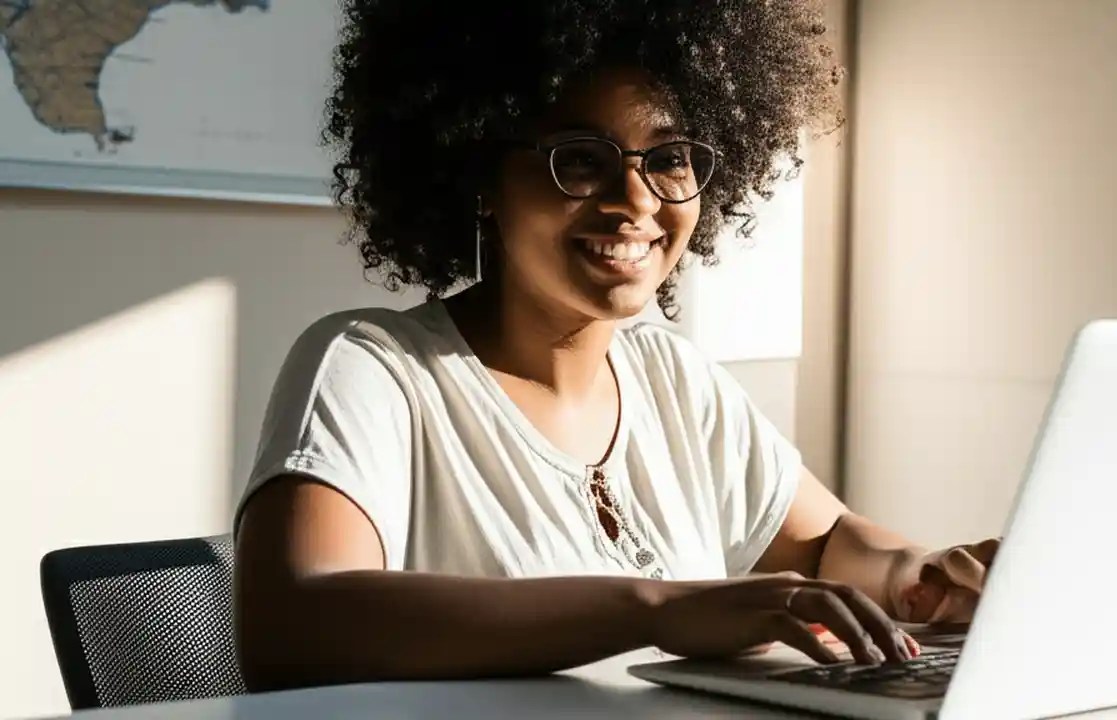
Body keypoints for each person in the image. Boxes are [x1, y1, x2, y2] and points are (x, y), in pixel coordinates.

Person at [233, 0, 999, 692]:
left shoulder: (671, 374)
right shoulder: (373, 368)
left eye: (668, 159)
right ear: (477, 174)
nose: (635, 202)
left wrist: (916, 574)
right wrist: (657, 610)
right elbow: (295, 623)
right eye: (581, 159)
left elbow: (829, 544)